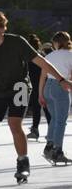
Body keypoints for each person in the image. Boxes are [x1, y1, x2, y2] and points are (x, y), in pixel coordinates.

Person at [0, 11, 71, 184]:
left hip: (20, 87)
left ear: (3, 28)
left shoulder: (16, 42)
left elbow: (42, 62)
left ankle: (23, 163)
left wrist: (61, 79)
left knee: (14, 123)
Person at [39, 32, 72, 165]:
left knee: (54, 118)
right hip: (60, 87)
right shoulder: (70, 55)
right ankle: (57, 151)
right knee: (61, 121)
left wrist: (40, 94)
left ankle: (49, 146)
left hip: (48, 87)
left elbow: (43, 76)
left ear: (57, 43)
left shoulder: (50, 55)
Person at [27, 33, 47, 140]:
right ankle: (51, 131)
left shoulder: (28, 56)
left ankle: (35, 130)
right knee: (46, 108)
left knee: (36, 108)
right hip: (44, 83)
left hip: (34, 85)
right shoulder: (42, 55)